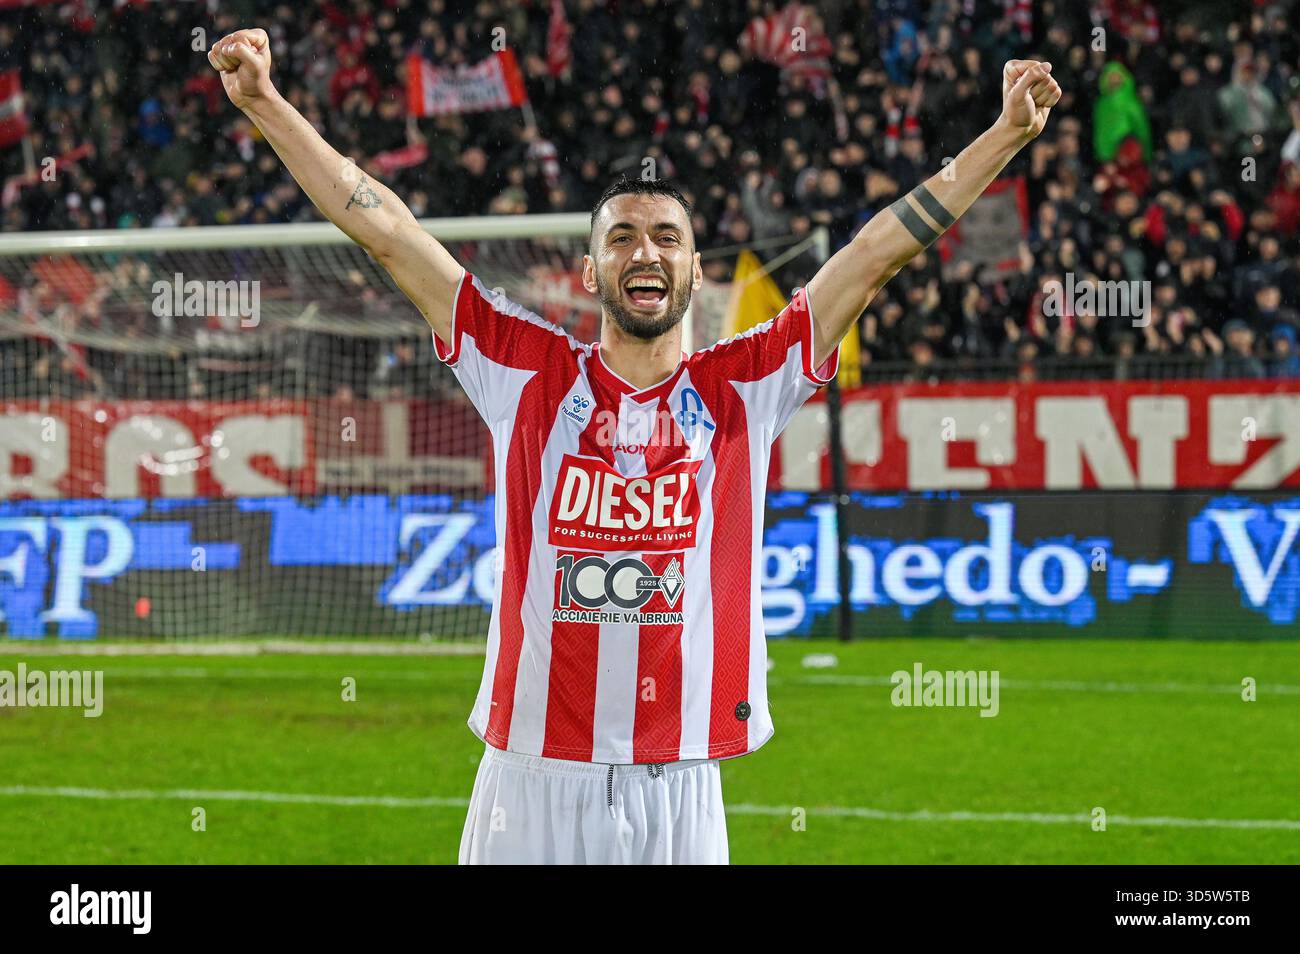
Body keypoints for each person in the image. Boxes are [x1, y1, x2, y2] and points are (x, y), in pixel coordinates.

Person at [207, 28, 1061, 865]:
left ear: (694, 271)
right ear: (589, 273)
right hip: (530, 772)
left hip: (679, 780)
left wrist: (1005, 134)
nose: (643, 250)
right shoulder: (524, 369)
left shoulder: (745, 384)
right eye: (620, 236)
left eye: (666, 238)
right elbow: (388, 231)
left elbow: (874, 254)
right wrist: (266, 103)